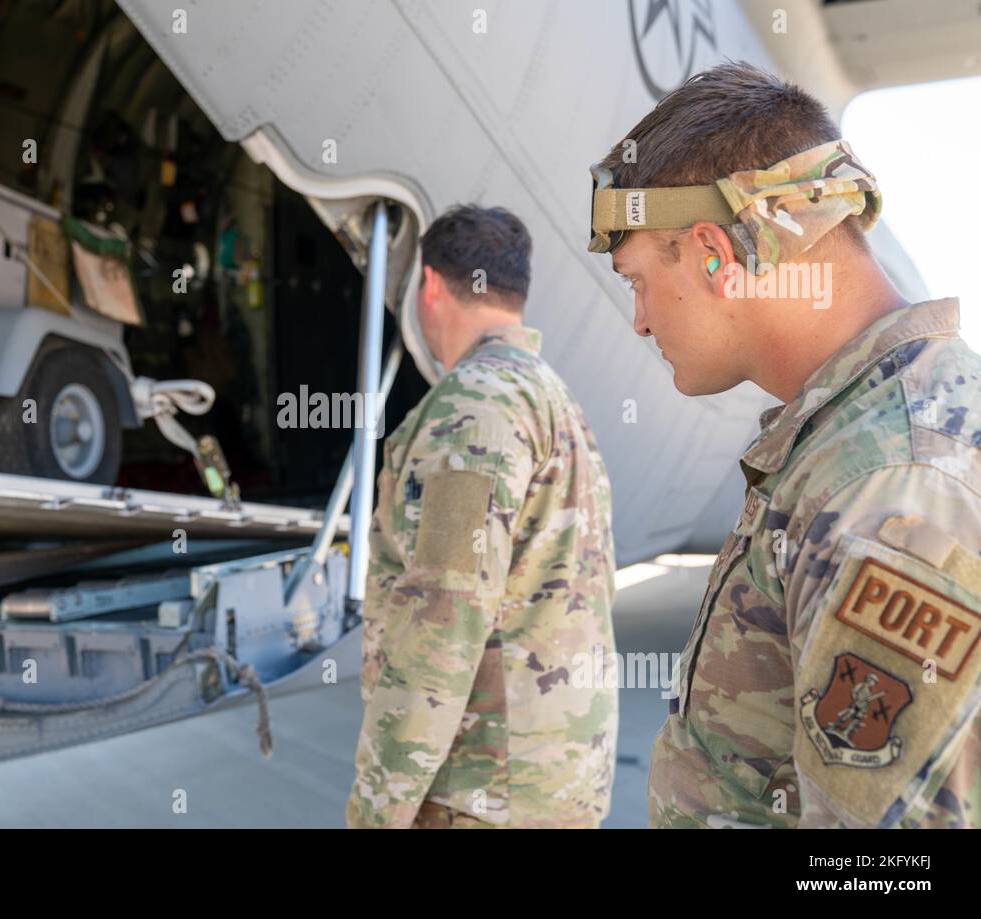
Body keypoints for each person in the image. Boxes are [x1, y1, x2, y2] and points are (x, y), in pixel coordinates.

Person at [588, 60, 981, 828]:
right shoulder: (856, 437)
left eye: (636, 280)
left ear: (715, 254)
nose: (638, 320)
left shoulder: (887, 484)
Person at [346, 204, 617, 828]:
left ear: (431, 286)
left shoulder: (473, 408)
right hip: (553, 781)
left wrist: (376, 811)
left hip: (479, 795)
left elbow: (443, 619)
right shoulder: (553, 399)